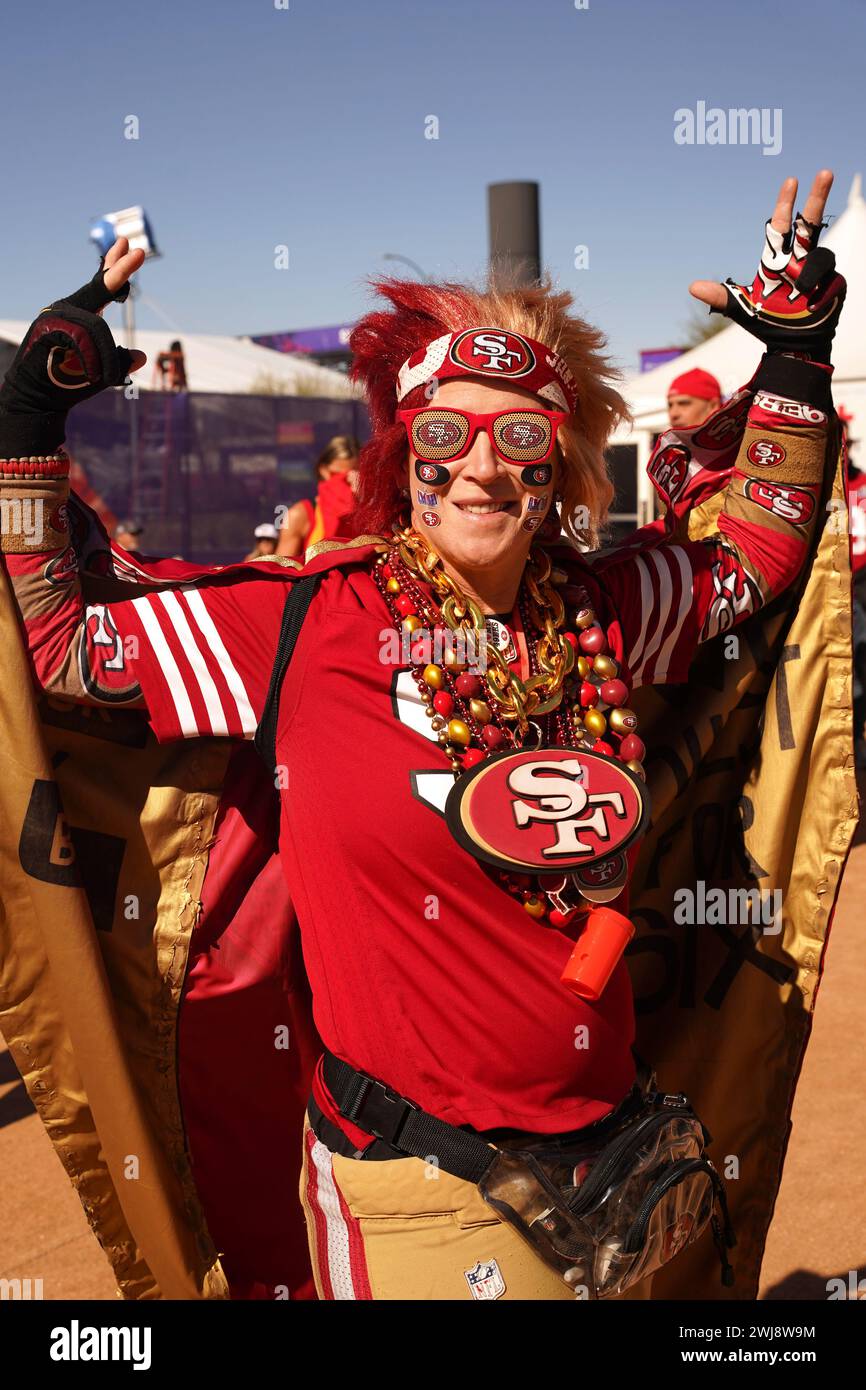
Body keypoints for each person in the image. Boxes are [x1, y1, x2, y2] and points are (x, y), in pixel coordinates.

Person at [0, 169, 846, 1301]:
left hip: (614, 1171)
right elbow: (62, 644)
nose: (483, 467)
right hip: (419, 1196)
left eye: (520, 436)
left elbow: (750, 559)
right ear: (407, 456)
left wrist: (794, 360)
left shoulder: (599, 611)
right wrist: (26, 422)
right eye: (448, 432)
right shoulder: (305, 623)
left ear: (560, 464)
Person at [275, 434, 360, 559]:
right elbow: (282, 566)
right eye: (337, 475)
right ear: (323, 470)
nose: (347, 482)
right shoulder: (298, 515)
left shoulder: (372, 513)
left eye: (353, 476)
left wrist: (364, 500)